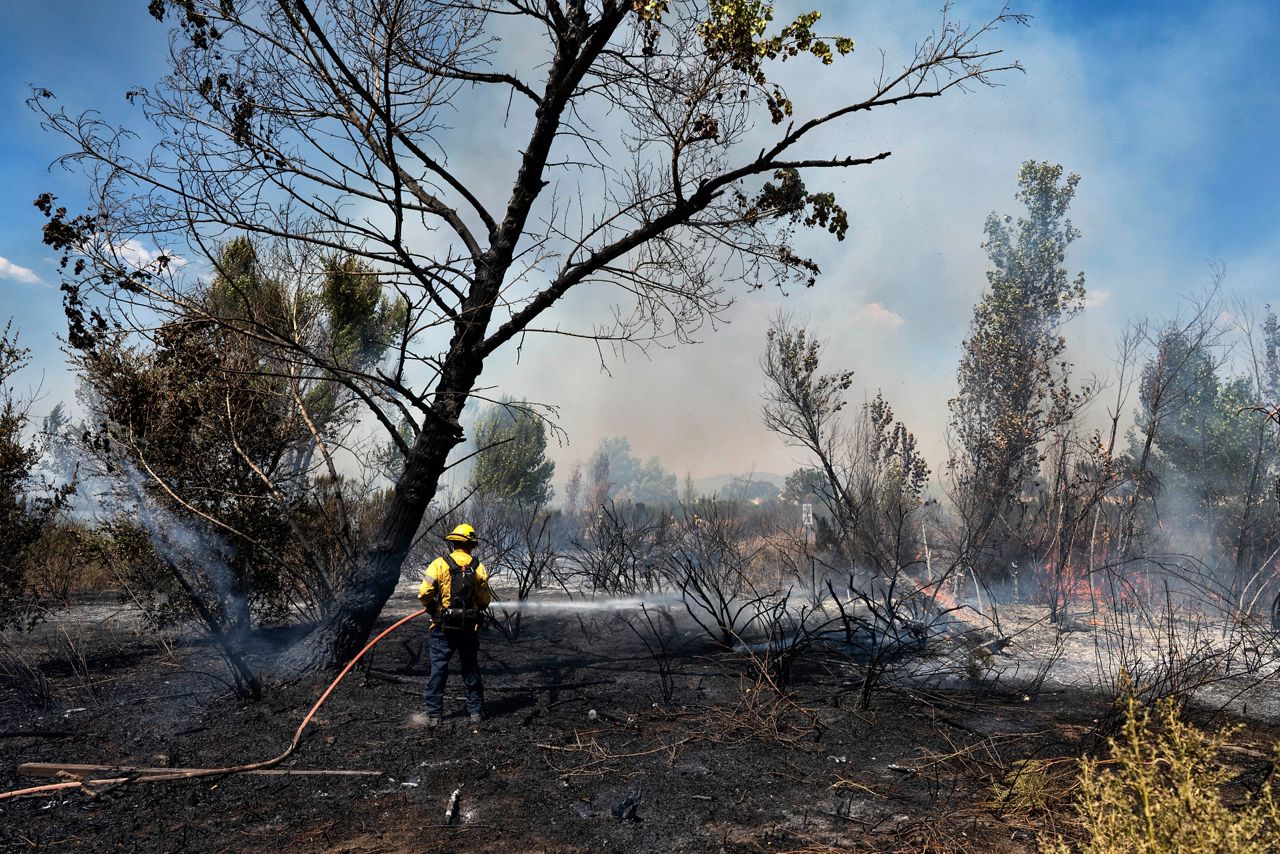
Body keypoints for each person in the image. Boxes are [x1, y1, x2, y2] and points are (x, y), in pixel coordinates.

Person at [418, 523, 492, 726]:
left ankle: (434, 715)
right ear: (471, 545)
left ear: (452, 543)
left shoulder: (438, 564)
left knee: (439, 669)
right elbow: (484, 601)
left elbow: (424, 593)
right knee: (470, 668)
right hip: (468, 629)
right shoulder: (478, 567)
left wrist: (433, 609)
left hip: (443, 629)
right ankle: (476, 712)